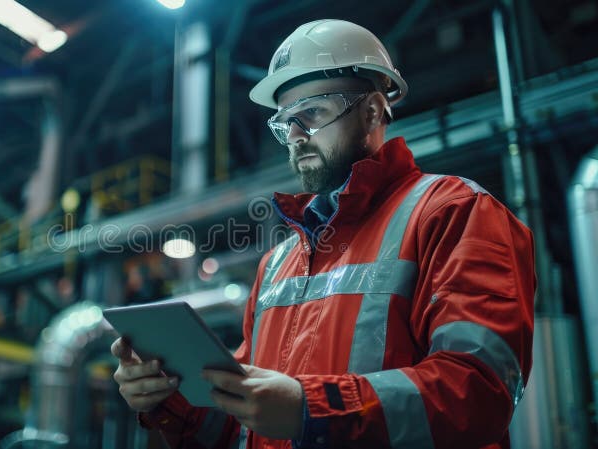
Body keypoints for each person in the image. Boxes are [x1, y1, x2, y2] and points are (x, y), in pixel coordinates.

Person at [111, 19, 535, 449]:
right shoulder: (276, 264)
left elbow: (479, 391)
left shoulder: (453, 213)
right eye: (285, 123)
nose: (294, 137)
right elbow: (241, 426)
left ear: (371, 111)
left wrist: (310, 410)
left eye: (311, 114)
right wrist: (169, 397)